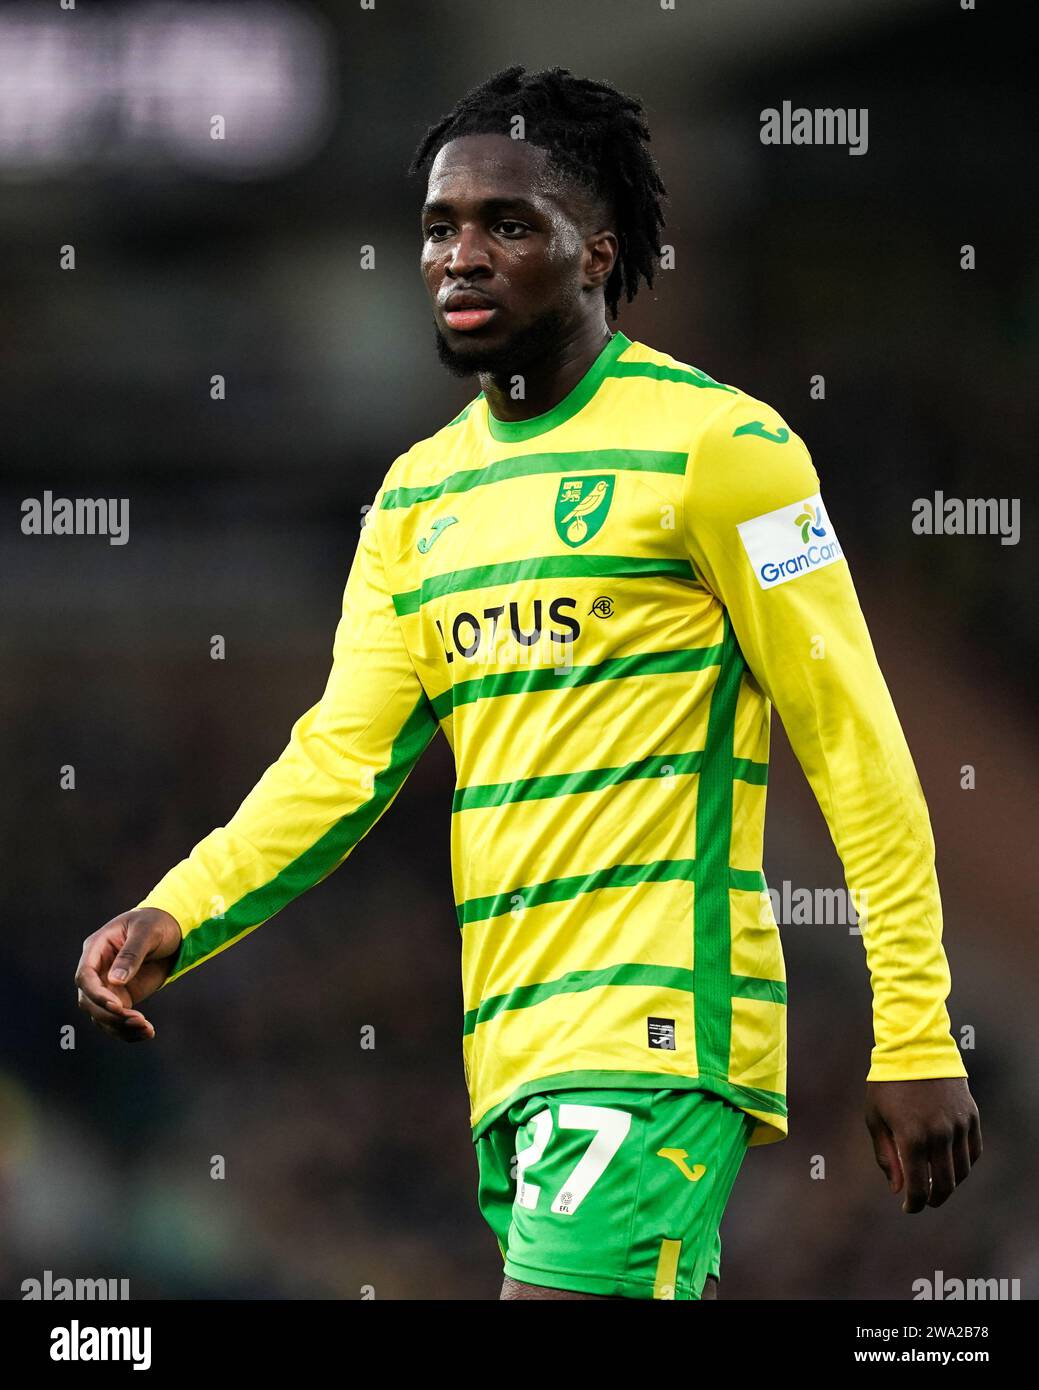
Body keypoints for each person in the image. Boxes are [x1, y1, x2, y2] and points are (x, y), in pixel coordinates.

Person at [75, 66, 981, 1301]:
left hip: (656, 1032)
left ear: (597, 253)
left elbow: (854, 741)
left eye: (508, 225)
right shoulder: (415, 499)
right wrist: (181, 908)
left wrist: (916, 1024)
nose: (461, 255)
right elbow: (342, 759)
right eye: (441, 227)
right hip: (512, 1051)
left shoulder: (728, 451)